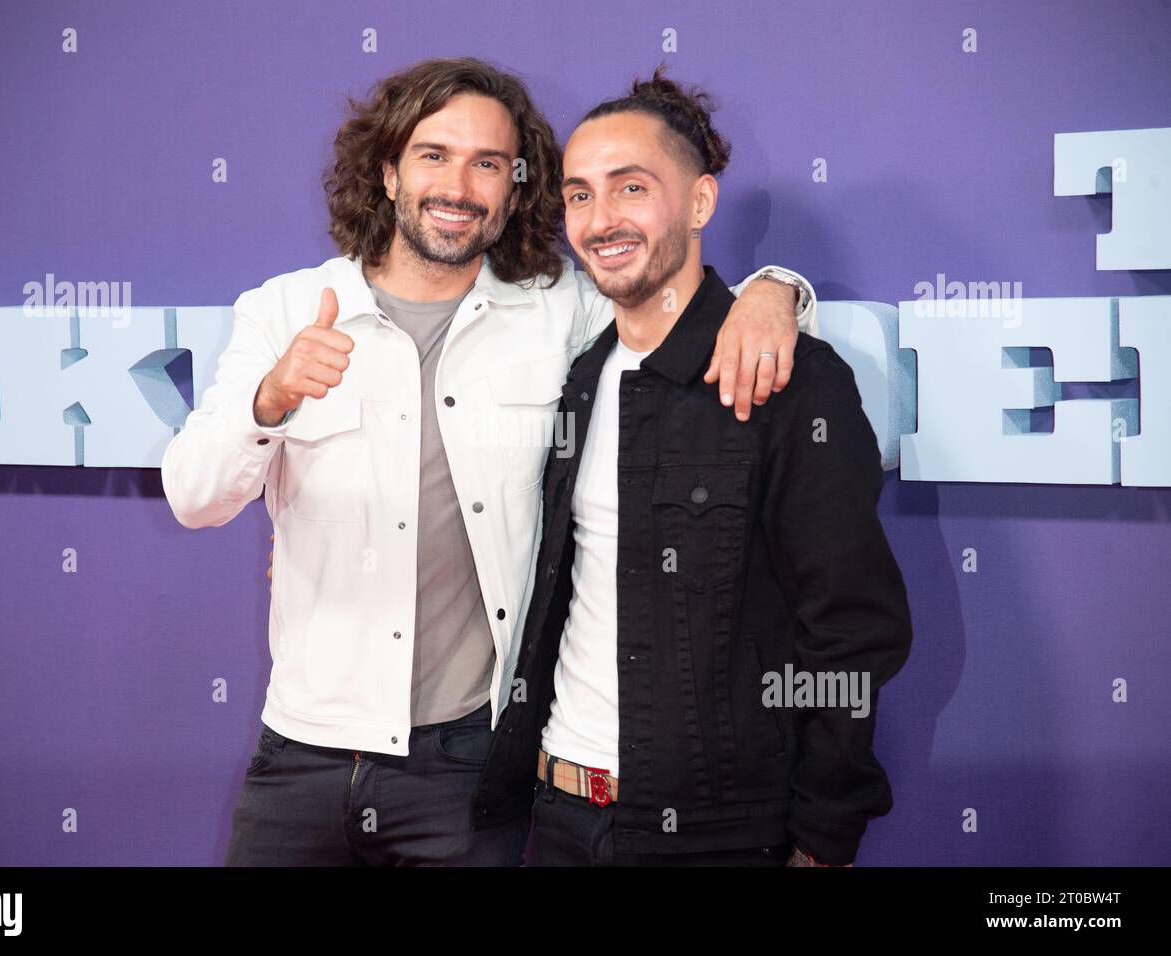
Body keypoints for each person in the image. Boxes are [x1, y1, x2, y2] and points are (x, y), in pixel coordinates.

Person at [161, 57, 816, 866]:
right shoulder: (284, 309)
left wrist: (775, 290)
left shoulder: (558, 309)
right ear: (388, 170)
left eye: (488, 164)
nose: (459, 185)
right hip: (303, 753)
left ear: (516, 186)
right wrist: (271, 399)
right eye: (433, 155)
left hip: (471, 765)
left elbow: (672, 303)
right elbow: (193, 496)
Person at [469, 67, 913, 867]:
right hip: (557, 815)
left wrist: (824, 837)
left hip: (714, 836)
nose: (601, 219)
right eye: (578, 195)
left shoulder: (790, 380)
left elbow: (852, 633)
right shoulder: (578, 375)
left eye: (631, 187)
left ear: (701, 202)